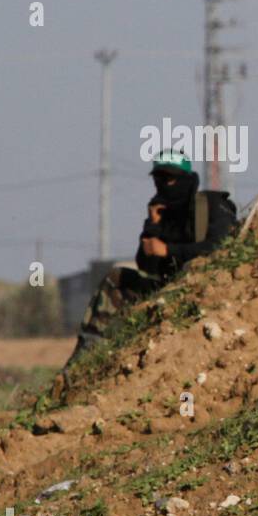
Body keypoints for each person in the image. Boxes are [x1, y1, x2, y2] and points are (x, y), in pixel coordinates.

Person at [63, 151, 237, 367]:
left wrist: (169, 250)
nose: (163, 185)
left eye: (169, 179)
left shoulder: (210, 206)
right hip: (167, 290)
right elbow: (146, 265)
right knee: (117, 277)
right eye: (158, 179)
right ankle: (86, 355)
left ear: (185, 180)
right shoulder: (162, 213)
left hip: (207, 289)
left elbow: (220, 246)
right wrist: (152, 226)